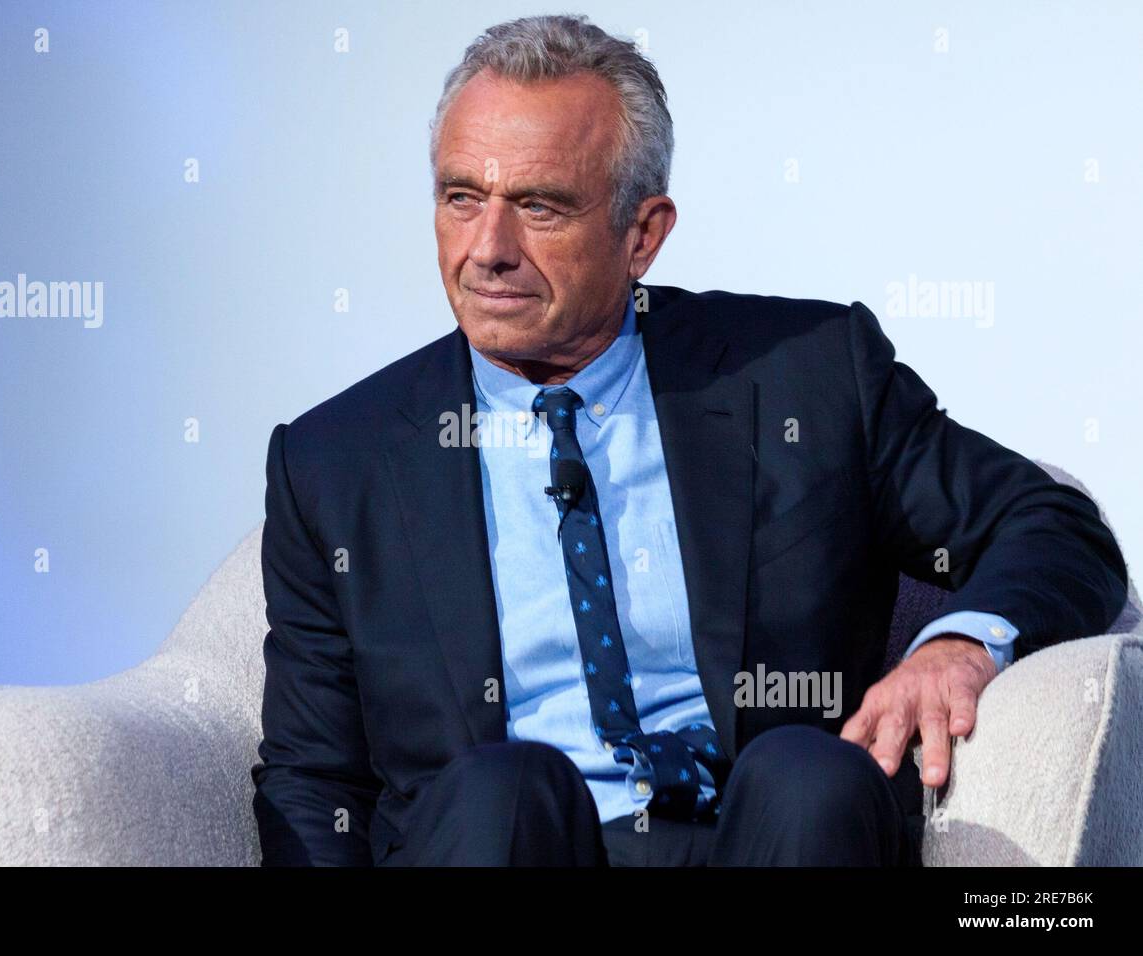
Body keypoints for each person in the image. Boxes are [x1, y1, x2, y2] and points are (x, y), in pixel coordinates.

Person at [249, 14, 1128, 866]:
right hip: (507, 840)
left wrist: (960, 646)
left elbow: (1052, 525)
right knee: (501, 793)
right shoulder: (335, 463)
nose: (488, 249)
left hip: (767, 832)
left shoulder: (809, 377)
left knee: (806, 775)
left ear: (643, 234)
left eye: (540, 207)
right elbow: (312, 777)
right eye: (461, 198)